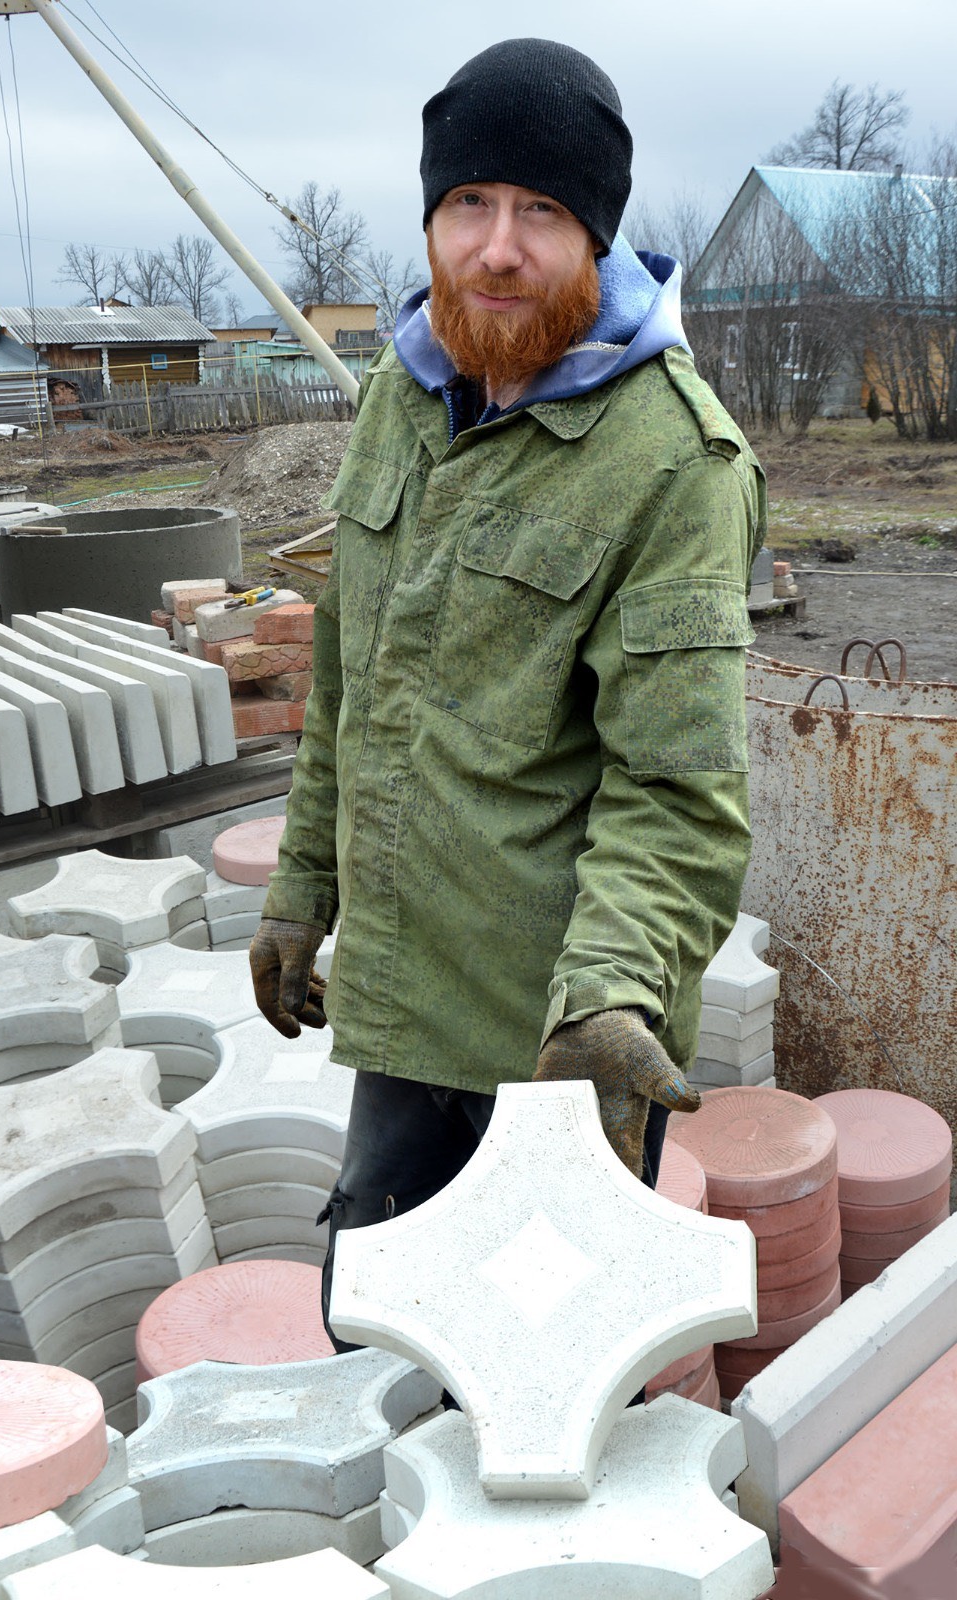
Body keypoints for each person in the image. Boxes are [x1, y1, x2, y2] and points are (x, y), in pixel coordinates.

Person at [250, 38, 765, 1346]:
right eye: (468, 204)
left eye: (541, 211)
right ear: (429, 221)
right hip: (402, 1000)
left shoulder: (672, 462)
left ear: (595, 236)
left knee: (547, 1376)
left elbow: (676, 786)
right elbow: (349, 688)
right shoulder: (399, 399)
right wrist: (303, 889)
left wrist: (610, 987)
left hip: (561, 1036)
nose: (496, 247)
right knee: (374, 1339)